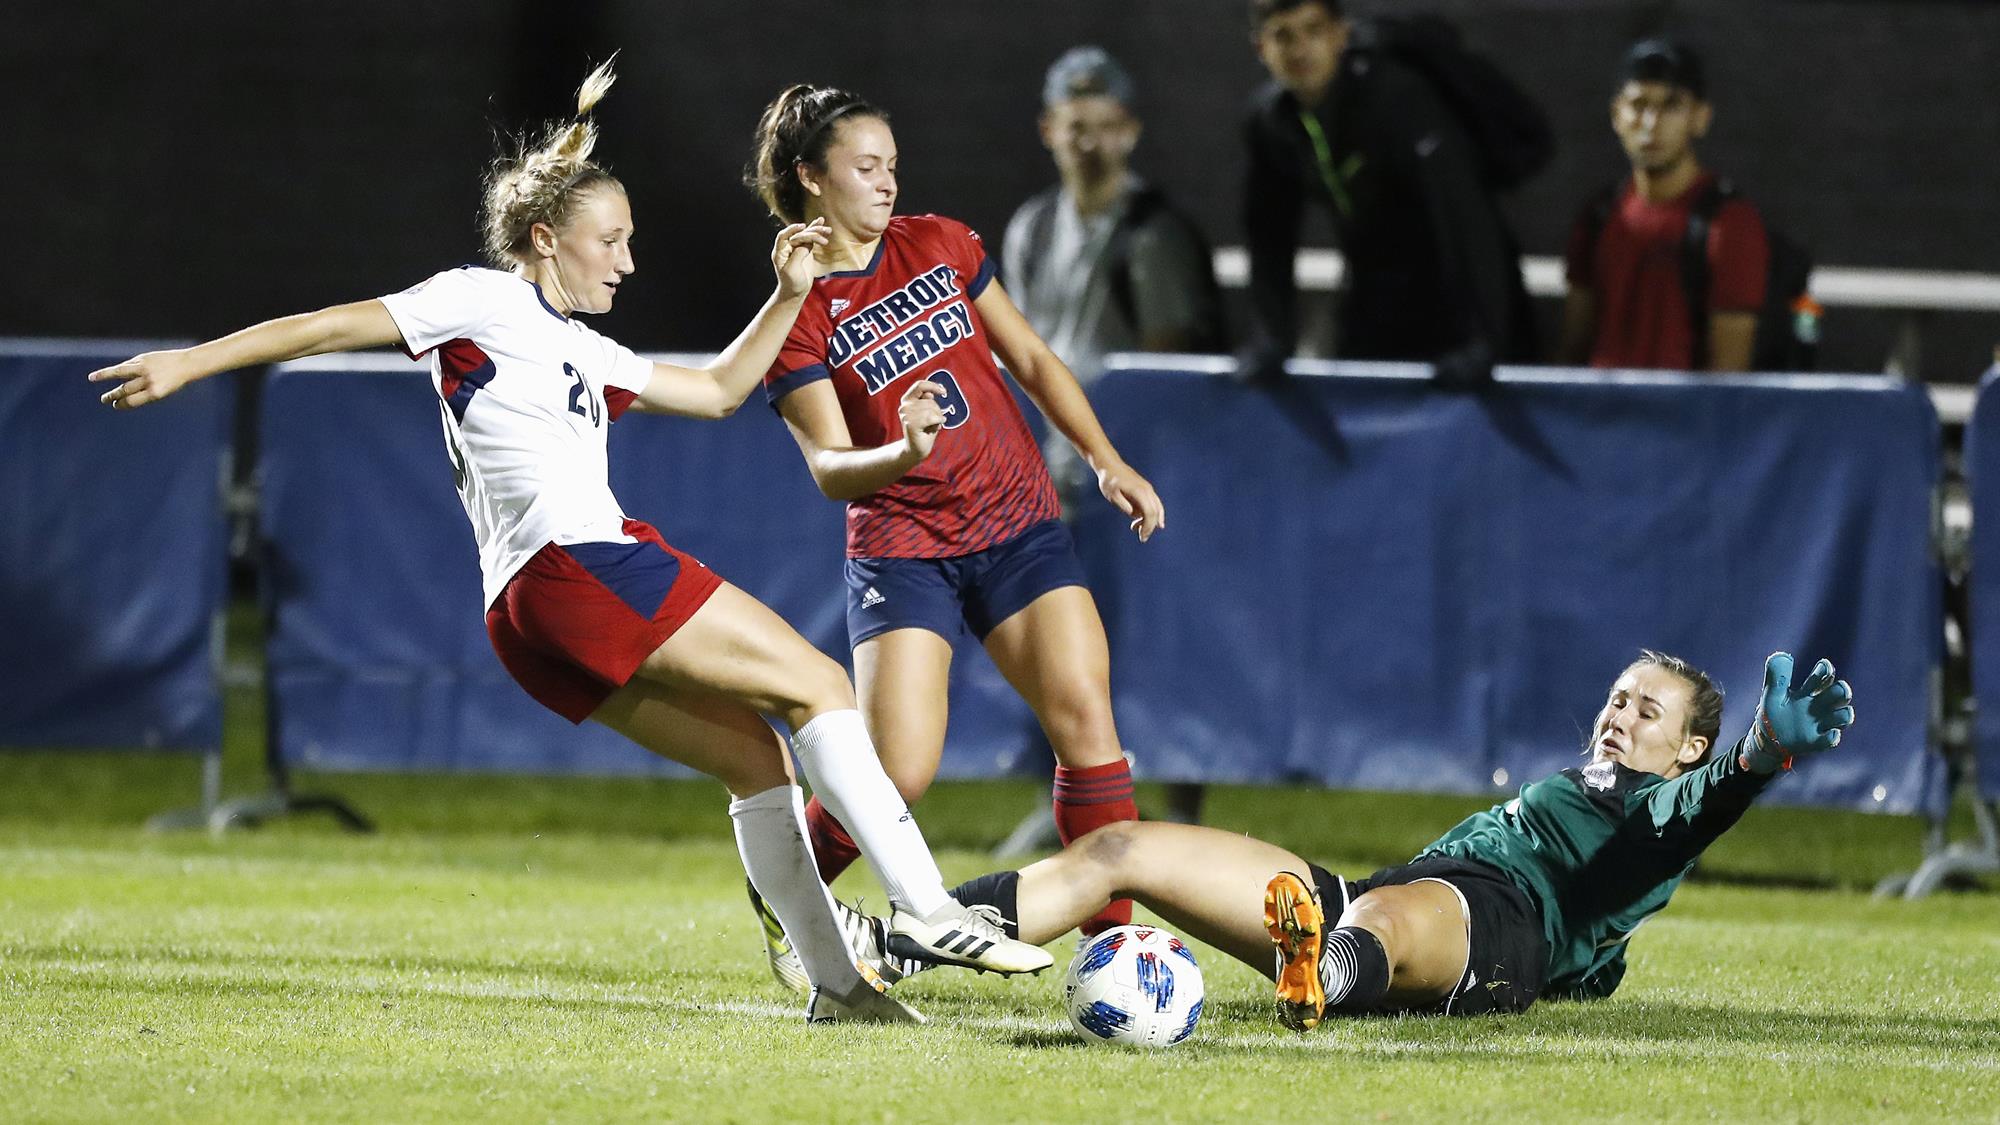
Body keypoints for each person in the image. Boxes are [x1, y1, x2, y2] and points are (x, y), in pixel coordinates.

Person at [86, 60, 1053, 1025]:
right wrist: (192, 362)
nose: (627, 262)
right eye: (611, 240)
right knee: (822, 687)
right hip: (576, 562)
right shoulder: (482, 297)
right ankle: (928, 909)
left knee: (759, 760)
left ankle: (840, 989)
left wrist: (792, 293)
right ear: (545, 241)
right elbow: (330, 323)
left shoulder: (585, 345)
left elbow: (717, 392)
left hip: (523, 614)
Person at [739, 83, 1168, 989]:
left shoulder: (941, 242)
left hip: (1018, 524)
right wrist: (904, 447)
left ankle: (1116, 952)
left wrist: (1105, 458)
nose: (887, 182)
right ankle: (792, 897)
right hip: (905, 548)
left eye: (892, 164)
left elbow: (1035, 358)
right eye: (864, 167)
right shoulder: (799, 311)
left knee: (1087, 718)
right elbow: (827, 467)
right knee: (898, 770)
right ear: (812, 179)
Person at [872, 650, 1854, 1025]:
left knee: (1391, 915)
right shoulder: (1588, 784)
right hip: (1386, 897)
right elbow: (1599, 952)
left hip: (1486, 924)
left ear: (1689, 748)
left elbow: (1689, 819)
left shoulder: (1656, 814)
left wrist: (1759, 752)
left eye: (1649, 712)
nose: (1620, 714)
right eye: (1615, 696)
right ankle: (898, 942)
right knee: (1120, 850)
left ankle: (1324, 977)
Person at [1000, 45, 1224, 828]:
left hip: (1137, 472)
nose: (1087, 140)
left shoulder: (1154, 231)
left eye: (1102, 124)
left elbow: (1168, 361)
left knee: (1158, 639)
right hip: (1052, 474)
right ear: (1048, 130)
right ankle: (1063, 795)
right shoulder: (1031, 227)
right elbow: (1018, 345)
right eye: (1073, 124)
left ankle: (1183, 803)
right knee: (1056, 641)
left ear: (1128, 130)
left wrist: (1121, 453)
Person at [1240, 0, 1539, 385]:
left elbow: (1465, 217)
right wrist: (1270, 338)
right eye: (1283, 35)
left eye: (1313, 30)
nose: (1300, 49)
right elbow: (1268, 235)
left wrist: (1484, 339)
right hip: (1375, 292)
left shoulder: (1396, 97)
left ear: (1340, 35)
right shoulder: (1269, 122)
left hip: (1465, 298)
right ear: (1261, 49)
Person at [1557, 39, 1770, 373]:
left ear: (1700, 118)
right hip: (1600, 418)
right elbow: (1571, 350)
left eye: (1671, 105)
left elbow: (1729, 374)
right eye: (1639, 104)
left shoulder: (1728, 222)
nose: (1651, 123)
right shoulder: (1600, 214)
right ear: (1617, 115)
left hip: (1682, 421)